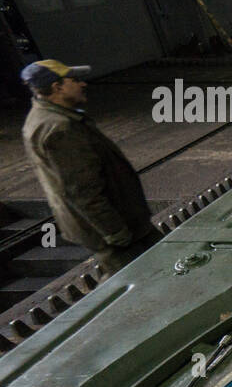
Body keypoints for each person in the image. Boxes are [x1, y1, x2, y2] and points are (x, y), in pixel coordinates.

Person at [20, 60, 162, 277]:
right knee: (142, 281)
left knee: (158, 265)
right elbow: (82, 192)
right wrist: (116, 233)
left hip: (119, 223)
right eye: (74, 80)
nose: (82, 84)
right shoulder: (60, 128)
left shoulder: (47, 117)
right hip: (114, 229)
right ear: (57, 88)